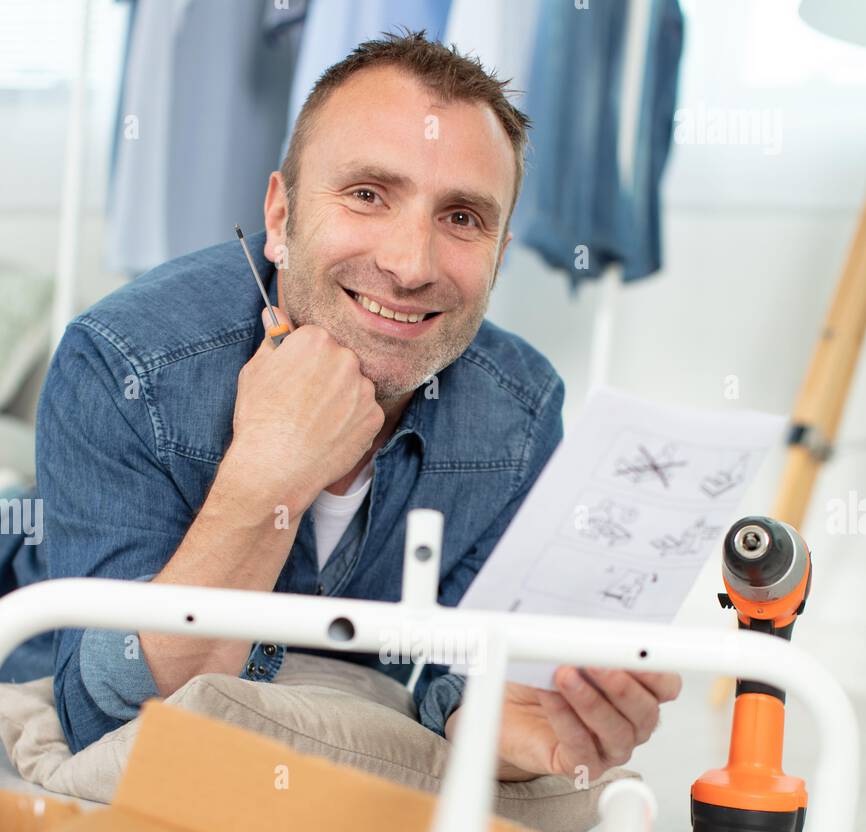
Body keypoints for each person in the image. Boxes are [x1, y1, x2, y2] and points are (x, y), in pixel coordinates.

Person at [3, 30, 680, 773]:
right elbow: (108, 720)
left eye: (461, 218)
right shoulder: (124, 361)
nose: (409, 264)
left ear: (500, 253)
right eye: (367, 195)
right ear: (279, 215)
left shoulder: (519, 413)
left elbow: (467, 686)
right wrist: (271, 472)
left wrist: (502, 731)